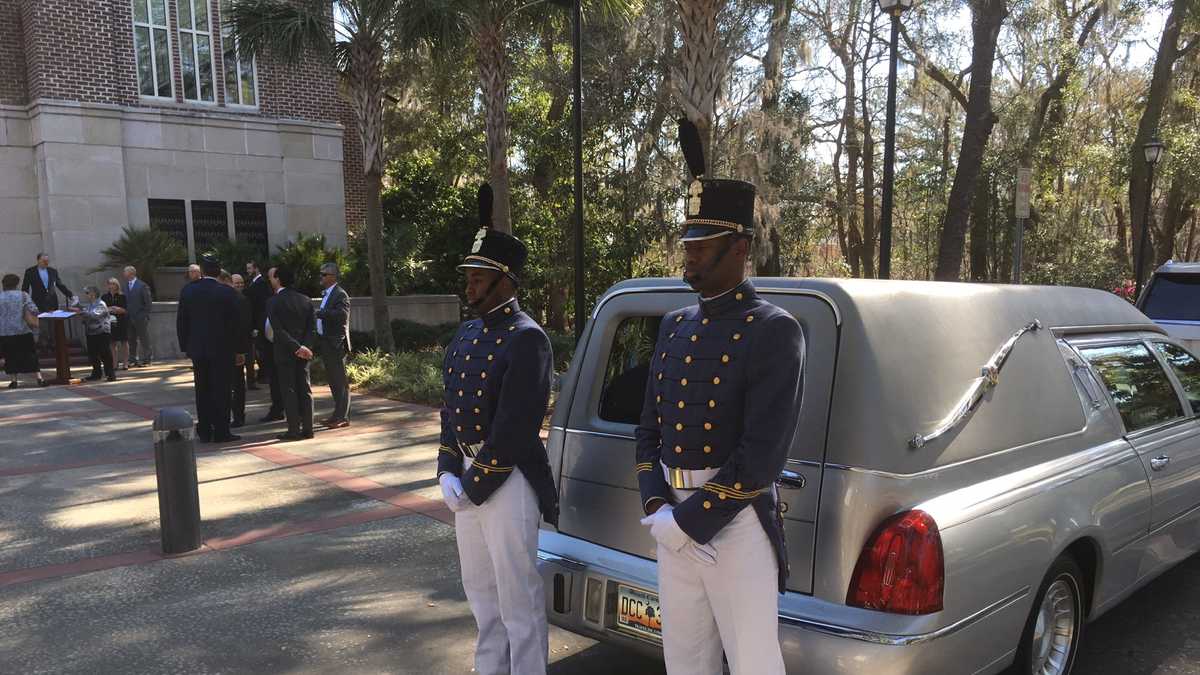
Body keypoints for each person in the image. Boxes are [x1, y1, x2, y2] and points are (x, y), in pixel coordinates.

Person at [634, 120, 804, 675]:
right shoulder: (674, 325)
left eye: (702, 246)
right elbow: (647, 430)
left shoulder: (774, 329)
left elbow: (761, 455)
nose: (689, 256)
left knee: (754, 662)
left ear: (740, 247)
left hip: (736, 524)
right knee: (683, 661)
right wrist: (658, 505)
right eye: (687, 244)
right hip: (673, 520)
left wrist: (692, 521)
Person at [435, 184, 559, 675]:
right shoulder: (466, 333)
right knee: (481, 595)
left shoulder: (528, 338)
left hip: (505, 481)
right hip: (467, 477)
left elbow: (514, 426)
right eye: (468, 275)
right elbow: (450, 409)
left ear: (505, 281)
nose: (469, 285)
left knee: (518, 599)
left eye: (479, 277)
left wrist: (473, 484)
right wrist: (447, 467)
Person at [177, 256, 243, 443]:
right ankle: (222, 430)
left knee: (202, 389)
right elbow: (235, 325)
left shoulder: (189, 290)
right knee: (222, 390)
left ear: (203, 271)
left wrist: (186, 347)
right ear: (219, 271)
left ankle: (205, 430)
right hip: (222, 350)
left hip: (198, 349)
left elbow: (182, 321)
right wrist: (239, 350)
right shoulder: (227, 293)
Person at [267, 265, 316, 441]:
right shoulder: (306, 300)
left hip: (285, 352)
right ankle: (309, 428)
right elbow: (312, 328)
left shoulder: (273, 302)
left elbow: (278, 330)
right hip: (304, 353)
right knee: (305, 389)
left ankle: (294, 430)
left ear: (278, 279)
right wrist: (305, 347)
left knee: (289, 391)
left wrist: (296, 347)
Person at [315, 262, 351, 428]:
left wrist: (321, 313)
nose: (321, 277)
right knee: (333, 381)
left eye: (324, 274)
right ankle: (337, 415)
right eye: (321, 274)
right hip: (326, 342)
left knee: (340, 382)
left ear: (333, 277)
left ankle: (342, 417)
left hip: (335, 344)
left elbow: (342, 316)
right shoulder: (327, 294)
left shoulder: (340, 294)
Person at [246, 260, 282, 419]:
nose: (270, 280)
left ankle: (287, 411)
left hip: (278, 343)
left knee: (279, 379)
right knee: (274, 378)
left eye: (272, 277)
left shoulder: (275, 297)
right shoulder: (269, 293)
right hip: (270, 341)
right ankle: (280, 409)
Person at [22, 253, 74, 355]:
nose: (46, 262)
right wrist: (25, 302)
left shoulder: (52, 271)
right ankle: (44, 346)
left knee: (53, 325)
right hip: (38, 302)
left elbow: (60, 285)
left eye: (47, 261)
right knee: (43, 326)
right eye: (43, 260)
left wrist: (70, 295)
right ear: (38, 261)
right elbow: (25, 288)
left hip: (52, 302)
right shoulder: (30, 271)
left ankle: (53, 345)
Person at [0, 273, 44, 388]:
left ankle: (14, 381)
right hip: (23, 330)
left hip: (6, 332)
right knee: (30, 354)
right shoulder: (23, 295)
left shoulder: (0, 297)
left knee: (10, 356)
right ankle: (39, 378)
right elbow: (34, 309)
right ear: (16, 284)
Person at [222, 272, 252, 428]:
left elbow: (244, 327)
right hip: (228, 349)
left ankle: (239, 416)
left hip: (237, 350)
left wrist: (241, 351)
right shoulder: (228, 300)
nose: (239, 285)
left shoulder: (242, 300)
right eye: (236, 283)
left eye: (241, 283)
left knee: (238, 384)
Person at [70, 286, 116, 382]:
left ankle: (110, 374)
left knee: (105, 354)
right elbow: (86, 311)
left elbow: (94, 315)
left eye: (87, 293)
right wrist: (78, 306)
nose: (86, 295)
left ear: (93, 294)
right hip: (91, 332)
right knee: (93, 354)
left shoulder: (101, 304)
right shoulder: (90, 305)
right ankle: (96, 374)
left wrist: (80, 312)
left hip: (101, 332)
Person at [124, 265, 154, 368]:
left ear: (131, 273)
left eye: (125, 272)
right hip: (129, 317)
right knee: (131, 339)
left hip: (140, 317)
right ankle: (133, 359)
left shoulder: (142, 285)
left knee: (144, 339)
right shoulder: (125, 286)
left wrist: (144, 315)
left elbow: (148, 303)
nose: (124, 274)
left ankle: (147, 358)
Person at [242, 261, 264, 389]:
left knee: (257, 353)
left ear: (256, 268)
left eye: (250, 268)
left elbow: (258, 305)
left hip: (256, 323)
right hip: (251, 324)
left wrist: (256, 325)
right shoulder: (253, 283)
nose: (248, 271)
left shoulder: (259, 283)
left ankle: (261, 375)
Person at [101, 278, 129, 370]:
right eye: (109, 284)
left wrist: (117, 309)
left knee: (124, 342)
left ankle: (125, 363)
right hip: (110, 321)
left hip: (121, 321)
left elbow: (125, 310)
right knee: (112, 343)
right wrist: (109, 309)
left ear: (117, 285)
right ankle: (114, 364)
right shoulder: (104, 297)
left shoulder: (122, 296)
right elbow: (102, 309)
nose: (111, 286)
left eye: (113, 284)